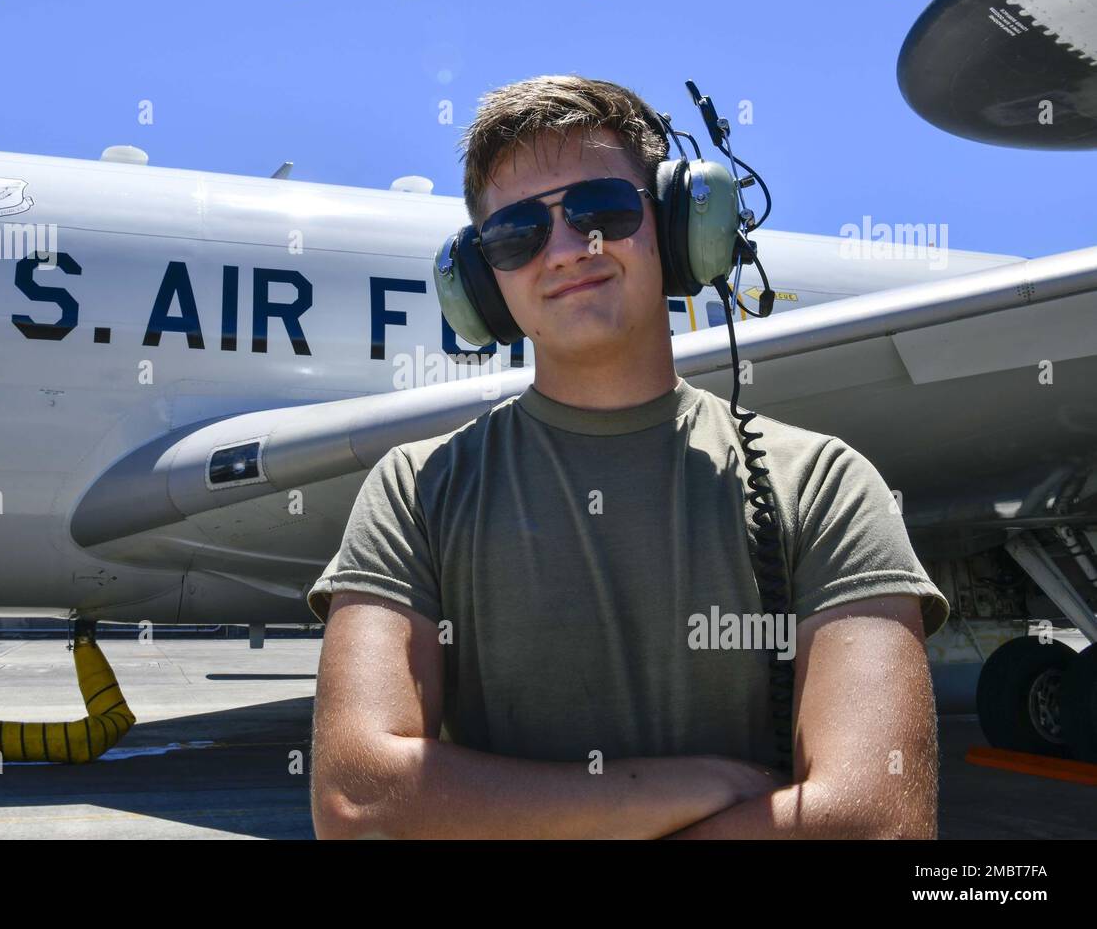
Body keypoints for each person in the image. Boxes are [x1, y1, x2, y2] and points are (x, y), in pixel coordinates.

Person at [305, 74, 950, 839]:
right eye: (517, 232)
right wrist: (684, 788)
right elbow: (357, 799)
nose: (572, 249)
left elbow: (875, 821)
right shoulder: (416, 489)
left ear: (679, 224)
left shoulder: (825, 485)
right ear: (482, 279)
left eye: (602, 209)